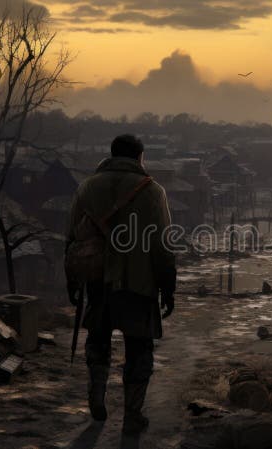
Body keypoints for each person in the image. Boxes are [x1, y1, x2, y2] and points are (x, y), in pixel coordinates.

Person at [66, 134, 176, 435]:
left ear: (112, 154)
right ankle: (132, 413)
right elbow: (163, 246)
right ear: (140, 157)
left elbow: (72, 238)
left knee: (98, 341)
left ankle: (96, 395)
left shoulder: (87, 187)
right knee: (139, 350)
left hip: (98, 280)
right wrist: (168, 287)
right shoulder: (153, 191)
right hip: (139, 284)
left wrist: (73, 280)